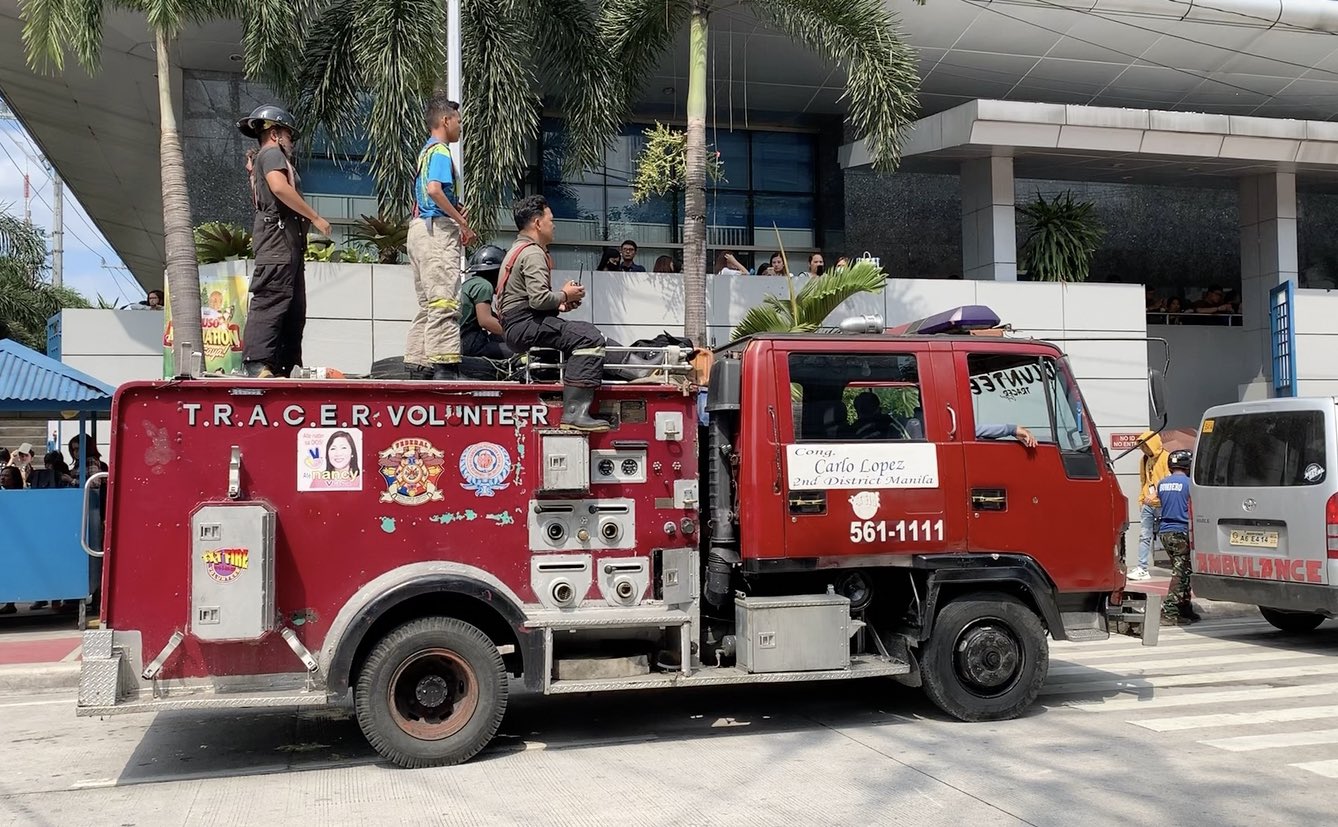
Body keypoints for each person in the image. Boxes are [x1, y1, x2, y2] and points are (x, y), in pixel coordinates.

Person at [497, 195, 610, 432]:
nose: (554, 225)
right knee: (589, 337)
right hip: (525, 324)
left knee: (580, 333)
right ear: (537, 223)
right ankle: (574, 414)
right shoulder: (534, 253)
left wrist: (559, 304)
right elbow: (538, 299)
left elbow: (528, 300)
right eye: (551, 219)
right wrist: (565, 295)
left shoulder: (517, 250)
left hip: (518, 324)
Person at [237, 104, 332, 379]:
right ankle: (256, 362)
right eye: (289, 135)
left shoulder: (267, 156)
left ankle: (285, 366)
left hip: (287, 244)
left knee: (292, 307)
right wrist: (315, 217)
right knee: (273, 299)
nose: (291, 142)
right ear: (276, 133)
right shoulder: (271, 155)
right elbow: (279, 187)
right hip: (276, 242)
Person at [403, 95, 475, 382]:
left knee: (430, 304)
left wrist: (453, 206)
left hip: (419, 230)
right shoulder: (442, 152)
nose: (460, 127)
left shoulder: (425, 152)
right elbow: (434, 190)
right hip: (436, 232)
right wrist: (462, 223)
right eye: (458, 121)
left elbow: (425, 194)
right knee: (445, 301)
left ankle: (418, 363)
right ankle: (445, 368)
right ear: (445, 121)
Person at [1156, 450, 1200, 625]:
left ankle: (1185, 609)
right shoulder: (1190, 484)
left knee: (1184, 570)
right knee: (1180, 573)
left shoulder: (1162, 483)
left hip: (1166, 532)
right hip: (1181, 532)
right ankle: (1169, 611)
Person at [1130, 430, 1170, 580]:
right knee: (1144, 535)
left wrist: (1155, 494)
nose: (1143, 449)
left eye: (1145, 445)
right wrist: (1142, 499)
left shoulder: (1166, 458)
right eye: (1142, 446)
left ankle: (1178, 566)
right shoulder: (1144, 460)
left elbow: (1168, 480)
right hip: (1148, 503)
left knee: (1167, 536)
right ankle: (1142, 568)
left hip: (1163, 503)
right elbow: (1144, 481)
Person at [459, 245, 512, 359]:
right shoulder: (484, 286)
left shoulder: (471, 283)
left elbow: (492, 317)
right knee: (517, 354)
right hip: (470, 343)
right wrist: (514, 334)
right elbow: (486, 321)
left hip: (462, 340)